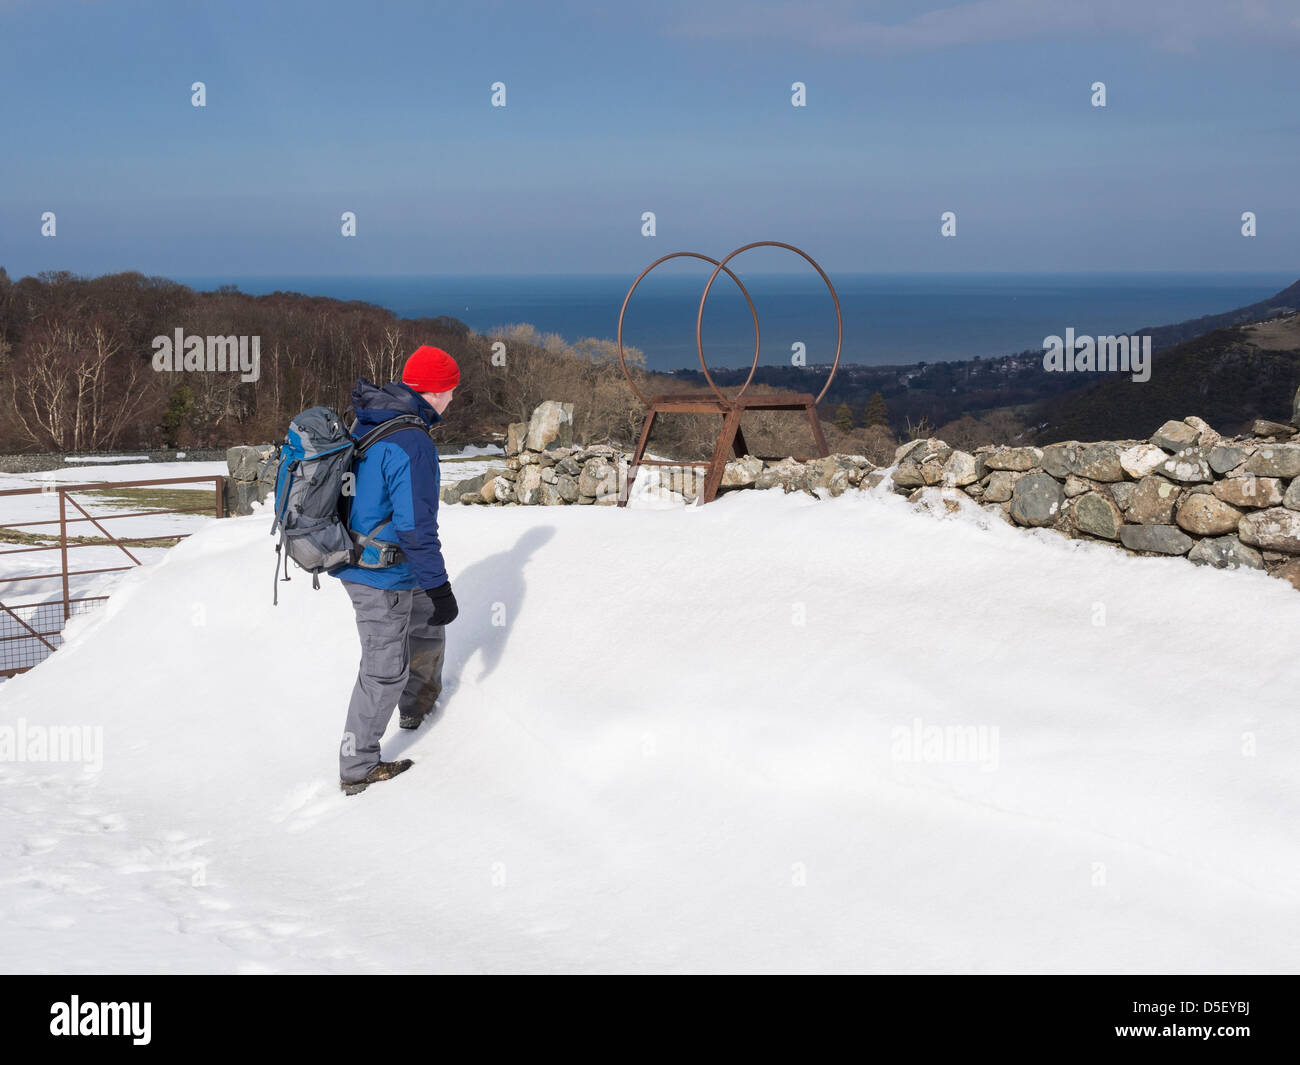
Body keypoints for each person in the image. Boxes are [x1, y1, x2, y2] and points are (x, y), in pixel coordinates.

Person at [330, 345, 461, 795]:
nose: (452, 399)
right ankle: (358, 766)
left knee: (426, 625)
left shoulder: (373, 416)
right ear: (437, 391)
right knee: (383, 667)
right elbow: (416, 526)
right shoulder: (413, 442)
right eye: (451, 390)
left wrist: (430, 590)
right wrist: (441, 585)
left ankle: (416, 709)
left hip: (377, 558)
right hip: (376, 571)